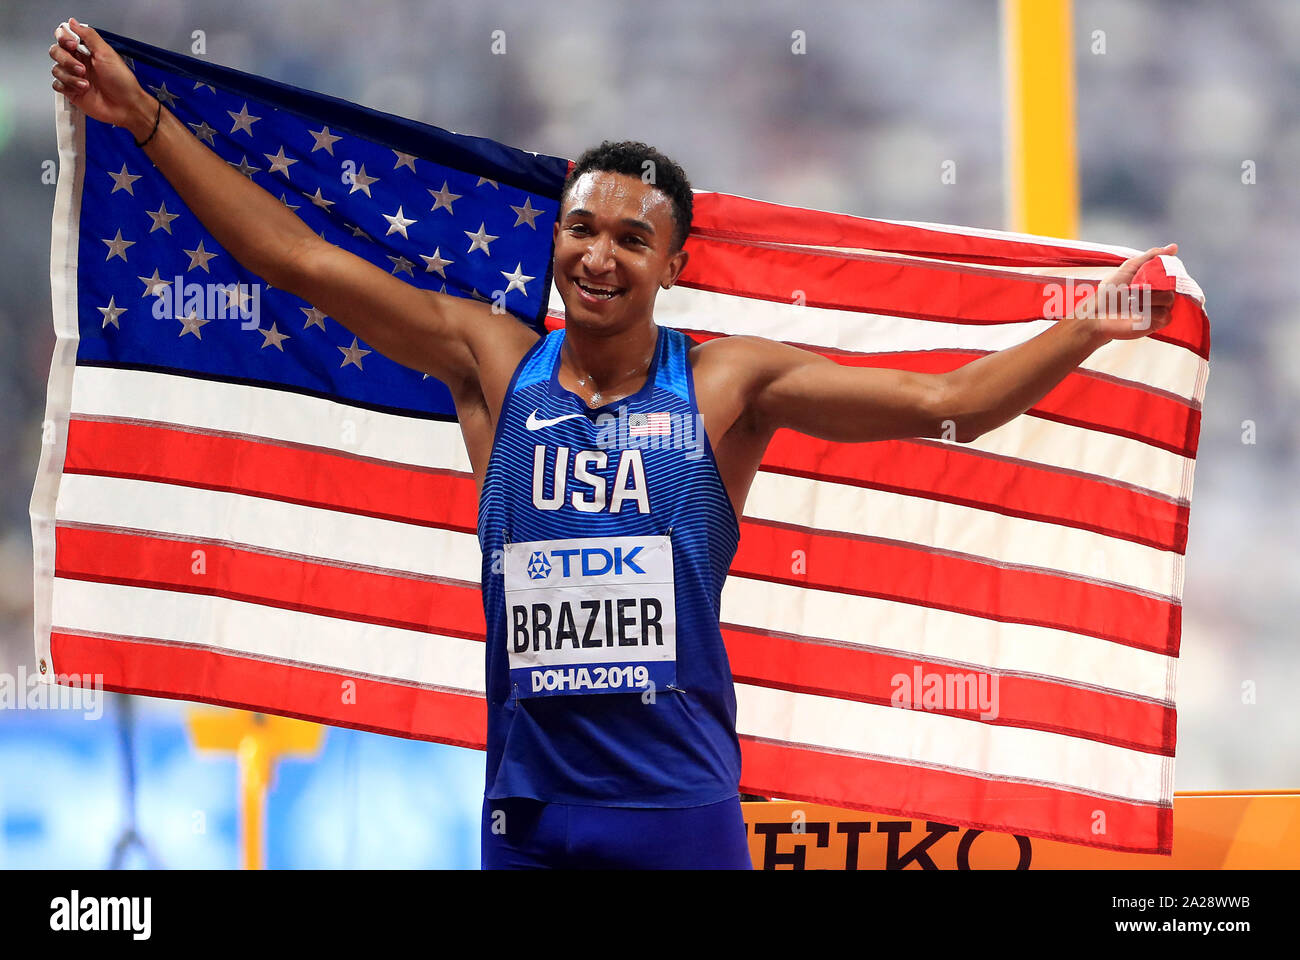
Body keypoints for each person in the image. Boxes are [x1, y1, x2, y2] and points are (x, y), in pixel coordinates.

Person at [49, 17, 1178, 870]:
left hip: (678, 816)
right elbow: (298, 263)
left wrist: (1086, 322)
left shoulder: (728, 381)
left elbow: (956, 402)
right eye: (581, 228)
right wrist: (144, 119)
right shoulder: (492, 359)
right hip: (529, 817)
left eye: (631, 239)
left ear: (673, 265)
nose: (598, 255)